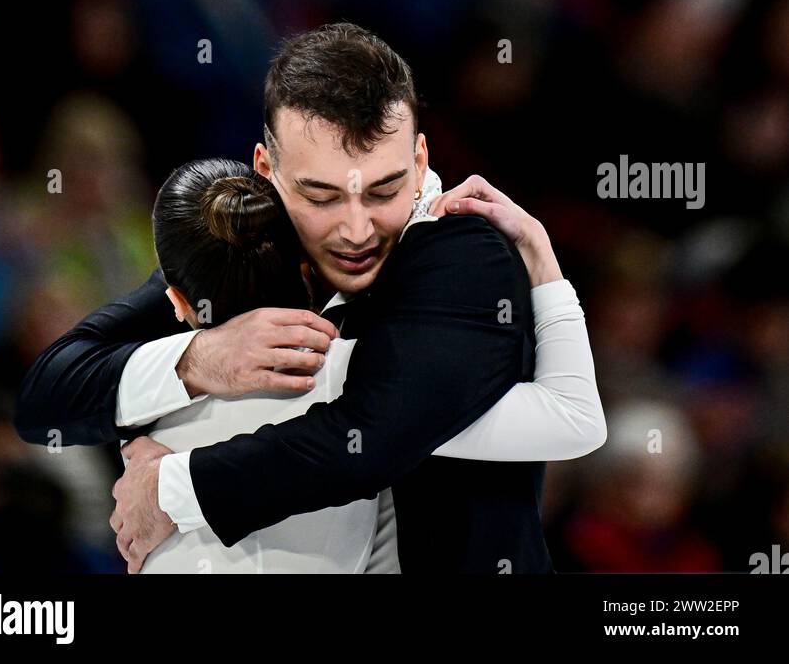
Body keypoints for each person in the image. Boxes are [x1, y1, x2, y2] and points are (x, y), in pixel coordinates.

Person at [16, 23, 606, 574]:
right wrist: (200, 359)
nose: (356, 230)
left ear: (419, 160)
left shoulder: (464, 252)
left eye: (384, 190)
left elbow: (373, 436)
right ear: (266, 169)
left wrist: (172, 488)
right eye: (320, 196)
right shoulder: (242, 244)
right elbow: (48, 396)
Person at [133, 157, 604, 572]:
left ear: (176, 300)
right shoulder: (362, 377)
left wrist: (165, 483)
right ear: (303, 264)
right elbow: (574, 418)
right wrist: (541, 256)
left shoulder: (143, 397)